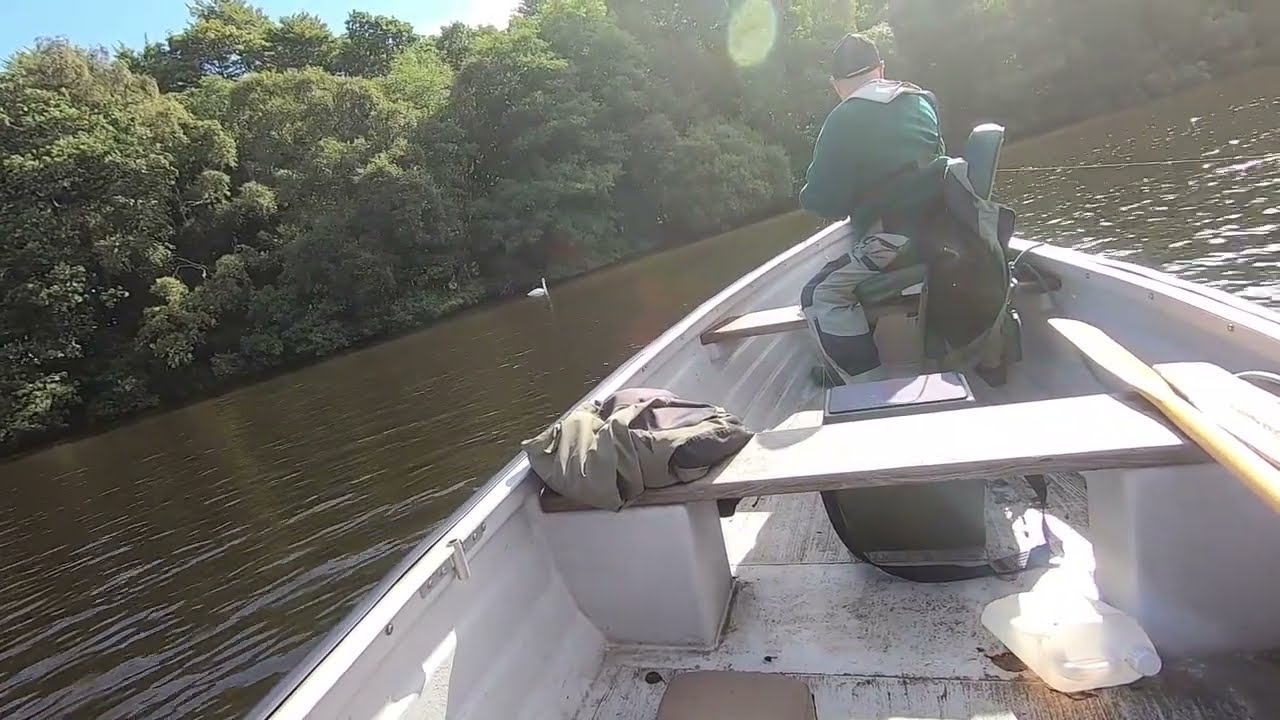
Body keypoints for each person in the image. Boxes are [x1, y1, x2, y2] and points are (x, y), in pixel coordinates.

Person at [798, 33, 947, 383]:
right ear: (881, 69)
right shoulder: (923, 99)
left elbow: (824, 202)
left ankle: (868, 389)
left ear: (836, 85)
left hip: (899, 243)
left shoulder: (843, 119)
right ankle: (856, 363)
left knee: (820, 293)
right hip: (946, 231)